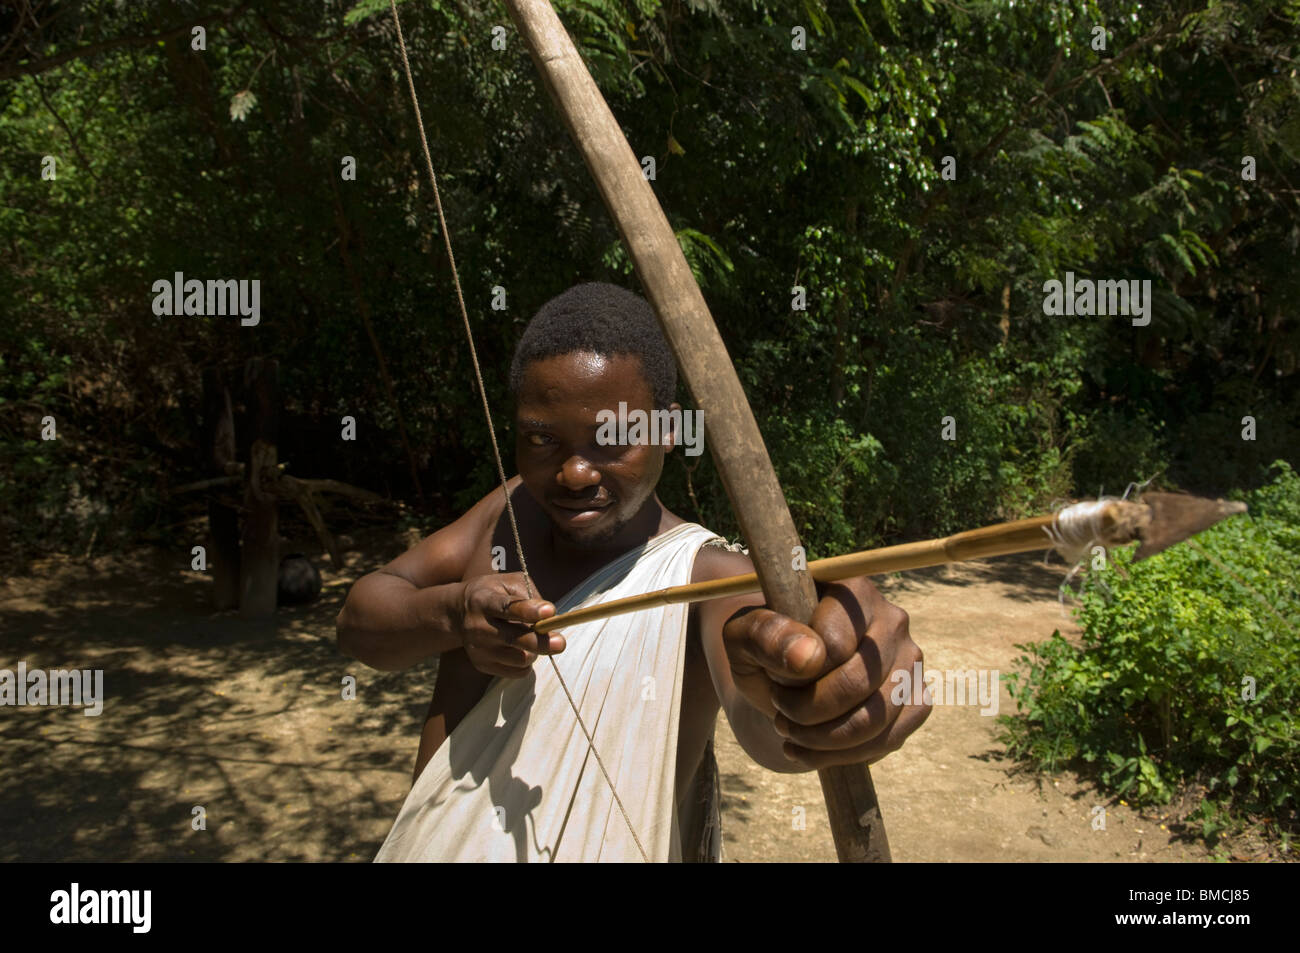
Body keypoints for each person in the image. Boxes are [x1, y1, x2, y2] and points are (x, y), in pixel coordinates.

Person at [336, 282, 931, 861]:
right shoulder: (509, 512)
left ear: (668, 429)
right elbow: (359, 621)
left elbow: (766, 719)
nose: (573, 473)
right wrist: (452, 613)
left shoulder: (705, 576)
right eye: (541, 438)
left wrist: (814, 690)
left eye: (613, 438)